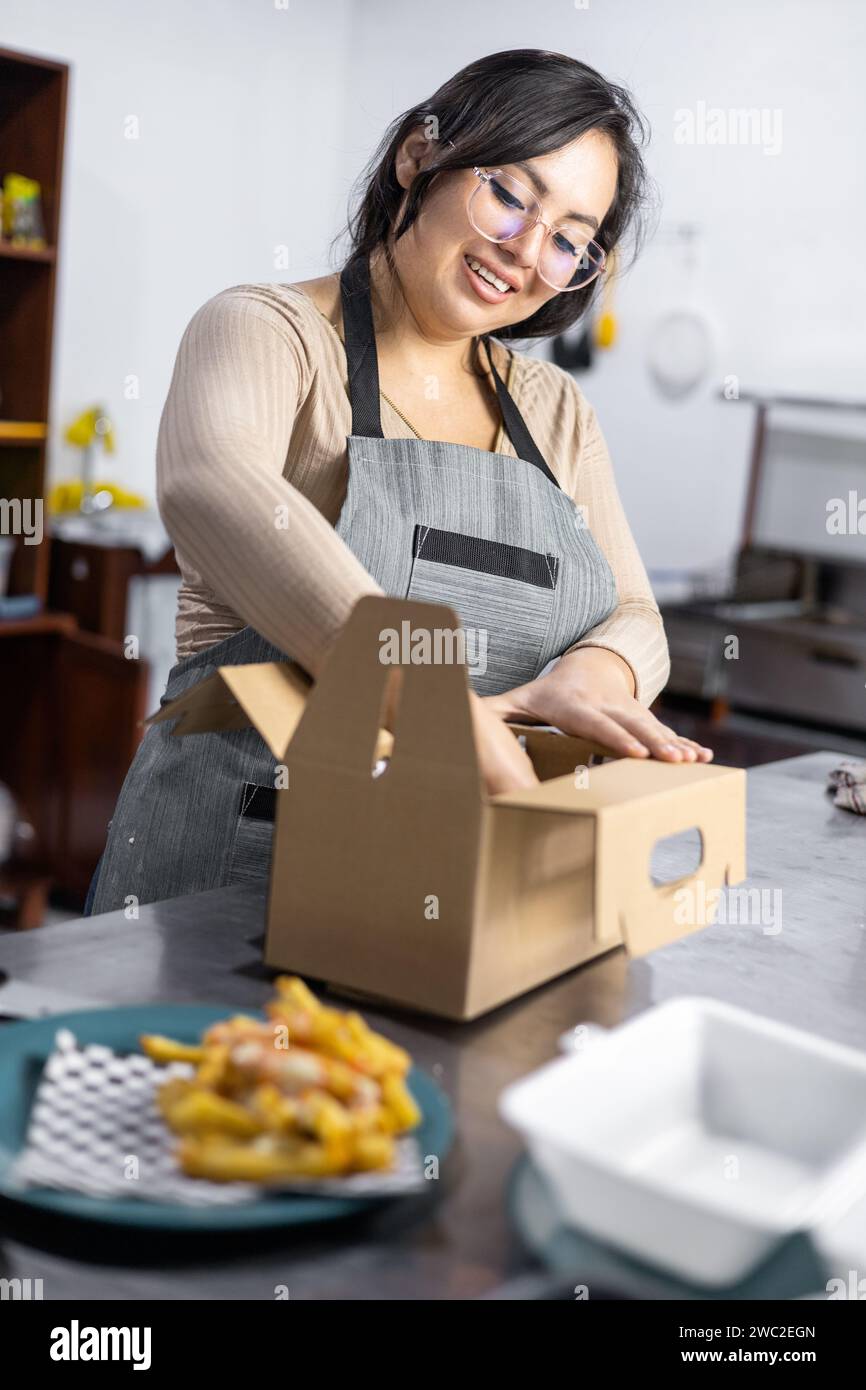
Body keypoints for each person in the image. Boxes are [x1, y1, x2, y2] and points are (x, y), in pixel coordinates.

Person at [87, 48, 711, 916]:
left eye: (571, 240)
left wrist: (596, 677)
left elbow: (635, 614)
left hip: (443, 901)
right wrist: (424, 697)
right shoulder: (272, 333)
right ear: (419, 156)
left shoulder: (556, 410)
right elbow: (213, 483)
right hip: (220, 891)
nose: (526, 253)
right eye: (511, 196)